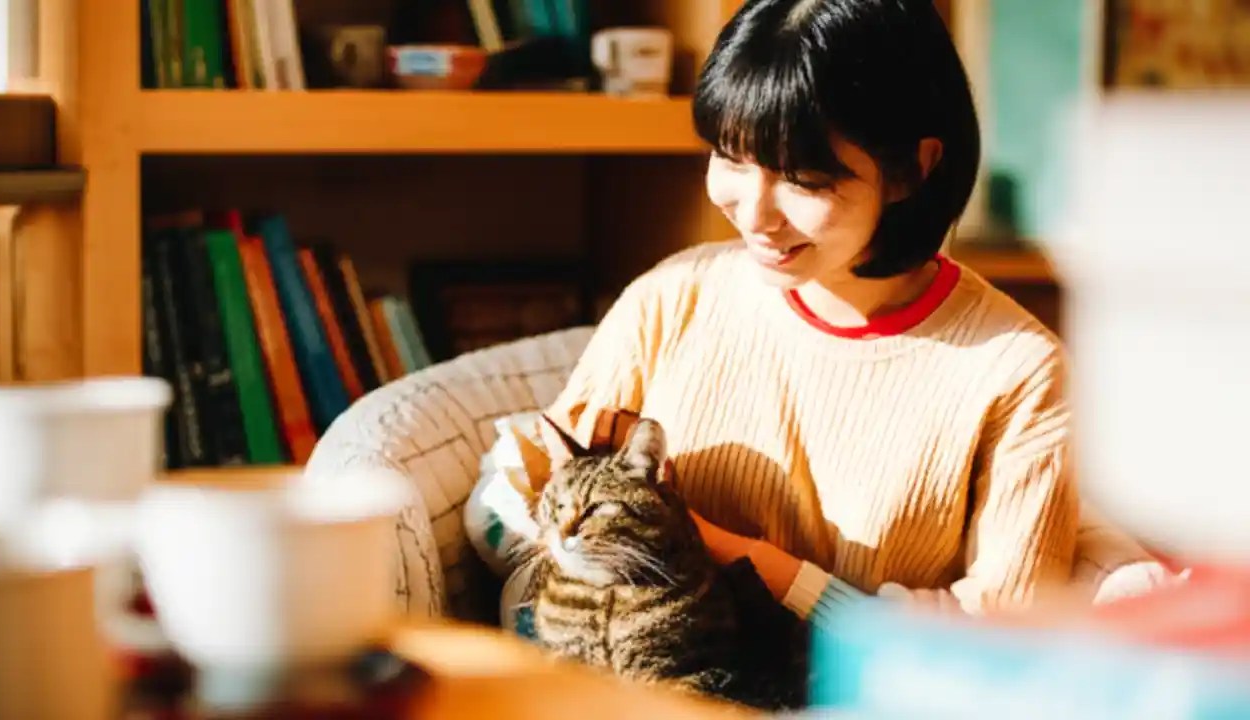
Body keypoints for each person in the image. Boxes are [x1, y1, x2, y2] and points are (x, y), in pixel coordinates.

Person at [466, 0, 1173, 632]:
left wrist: (742, 556)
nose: (754, 211)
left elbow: (993, 644)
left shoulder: (1016, 369)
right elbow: (533, 496)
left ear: (912, 169)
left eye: (803, 181)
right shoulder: (674, 296)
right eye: (729, 157)